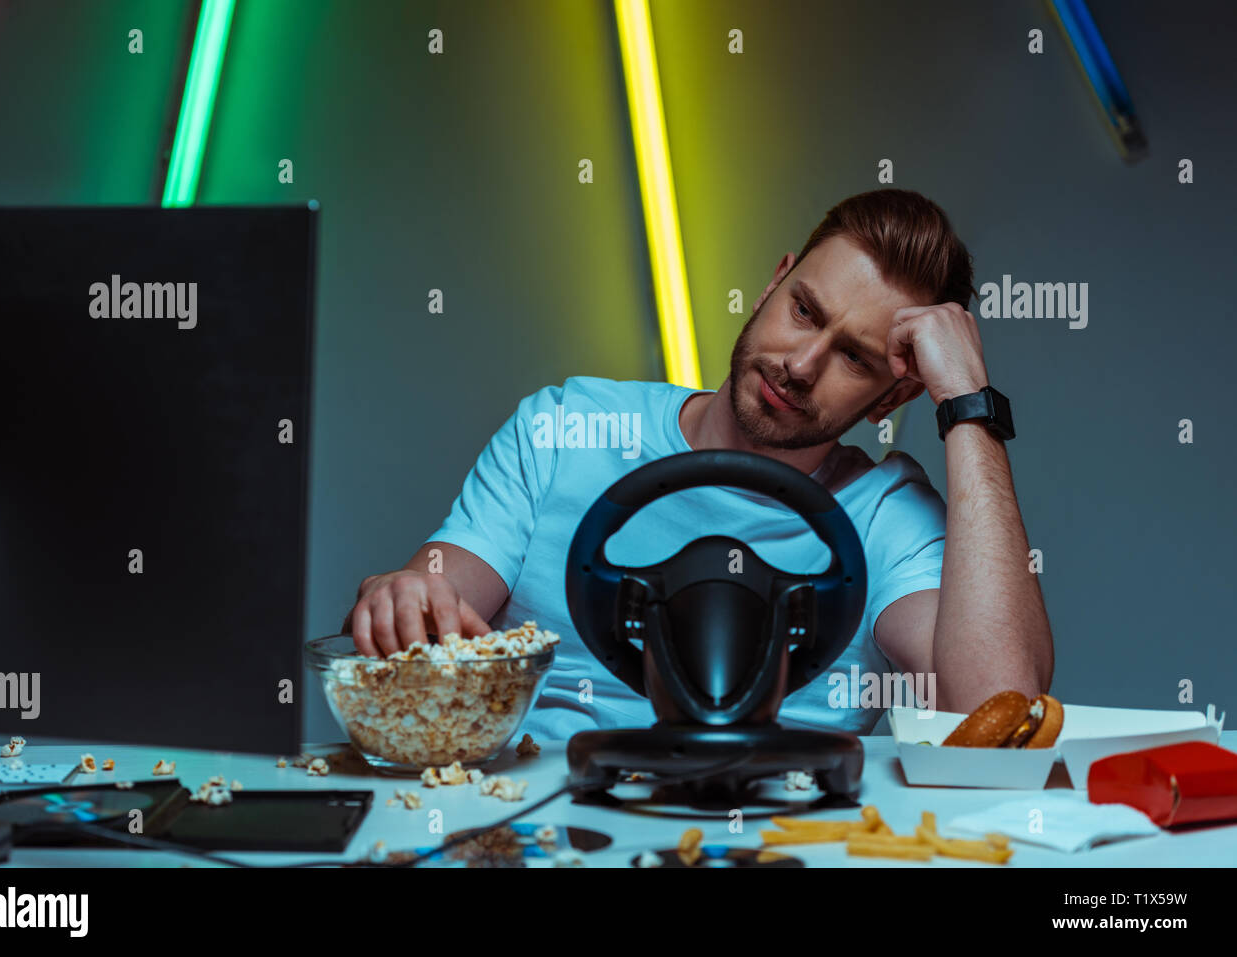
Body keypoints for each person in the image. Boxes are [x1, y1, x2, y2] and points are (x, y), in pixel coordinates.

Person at [341, 188, 1054, 739]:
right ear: (774, 283)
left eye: (854, 357)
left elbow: (995, 704)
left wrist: (969, 404)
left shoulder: (885, 513)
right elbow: (431, 602)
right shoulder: (568, 428)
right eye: (805, 311)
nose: (801, 365)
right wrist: (403, 594)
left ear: (892, 395)